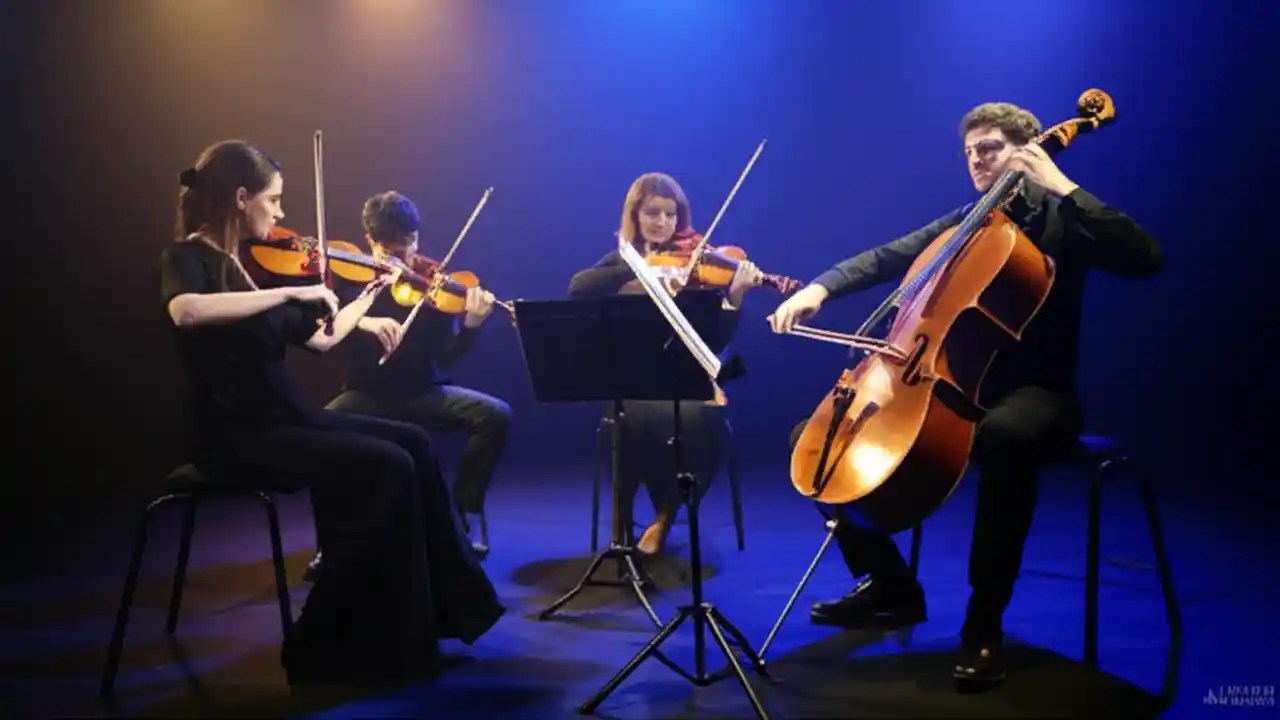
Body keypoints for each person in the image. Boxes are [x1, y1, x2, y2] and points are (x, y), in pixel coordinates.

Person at [769, 102, 1163, 687]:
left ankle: (983, 627)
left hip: (1035, 394)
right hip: (946, 384)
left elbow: (1145, 257)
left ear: (1026, 150)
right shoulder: (968, 220)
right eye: (971, 152)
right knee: (816, 438)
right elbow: (887, 257)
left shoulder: (1063, 219)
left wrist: (1060, 184)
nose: (977, 160)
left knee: (1004, 438)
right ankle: (890, 587)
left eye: (991, 148)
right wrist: (820, 288)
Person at [160, 140, 504, 687]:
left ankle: (443, 612)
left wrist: (364, 303)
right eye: (273, 200)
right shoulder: (191, 258)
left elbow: (322, 340)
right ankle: (322, 641)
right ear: (241, 198)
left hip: (285, 417)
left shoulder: (244, 269)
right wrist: (282, 298)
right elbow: (187, 310)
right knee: (387, 467)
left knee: (411, 442)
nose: (280, 213)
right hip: (235, 432)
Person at [307, 191, 510, 571]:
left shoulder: (432, 284)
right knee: (319, 436)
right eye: (392, 244)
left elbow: (446, 357)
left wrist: (470, 327)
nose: (404, 253)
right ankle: (330, 543)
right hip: (365, 395)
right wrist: (363, 319)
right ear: (370, 241)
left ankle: (463, 514)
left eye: (411, 241)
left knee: (495, 416)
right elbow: (323, 329)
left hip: (424, 393)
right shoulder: (350, 280)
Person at [568, 172, 760, 555]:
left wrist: (735, 297)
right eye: (653, 213)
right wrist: (643, 267)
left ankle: (665, 518)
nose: (662, 223)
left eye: (671, 215)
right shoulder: (622, 259)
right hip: (637, 378)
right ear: (635, 216)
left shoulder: (697, 262)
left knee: (703, 422)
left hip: (686, 377)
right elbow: (579, 287)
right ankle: (621, 522)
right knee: (623, 418)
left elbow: (715, 341)